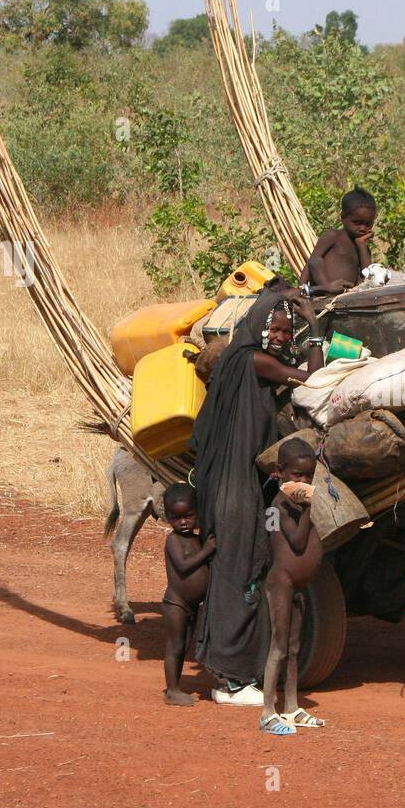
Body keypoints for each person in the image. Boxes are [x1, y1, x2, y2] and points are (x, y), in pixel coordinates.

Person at [188, 280, 325, 706]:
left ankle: (236, 672)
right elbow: (315, 381)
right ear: (260, 327)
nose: (284, 337)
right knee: (238, 571)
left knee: (246, 568)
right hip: (234, 489)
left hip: (233, 482)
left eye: (289, 332)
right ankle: (229, 681)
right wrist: (315, 326)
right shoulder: (254, 361)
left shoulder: (240, 358)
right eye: (280, 330)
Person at [258, 437, 327, 735]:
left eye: (309, 477)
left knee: (295, 647)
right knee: (279, 645)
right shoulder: (278, 505)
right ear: (280, 472)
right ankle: (267, 711)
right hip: (281, 584)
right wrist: (311, 508)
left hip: (298, 585)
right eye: (297, 476)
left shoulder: (296, 506)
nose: (303, 482)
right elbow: (298, 542)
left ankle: (292, 707)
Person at [161, 482, 216, 707]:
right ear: (167, 517)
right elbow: (183, 566)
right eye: (176, 518)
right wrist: (206, 550)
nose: (183, 523)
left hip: (192, 605)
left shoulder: (196, 538)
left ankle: (177, 685)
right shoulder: (173, 540)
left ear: (198, 513)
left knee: (184, 646)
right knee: (174, 645)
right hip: (176, 603)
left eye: (189, 516)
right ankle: (172, 690)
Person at [301, 187, 377, 296]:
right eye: (357, 222)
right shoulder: (333, 236)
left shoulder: (363, 247)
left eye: (368, 224)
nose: (363, 228)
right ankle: (327, 289)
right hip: (324, 291)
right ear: (343, 217)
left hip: (346, 296)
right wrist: (301, 288)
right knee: (316, 261)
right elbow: (311, 262)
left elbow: (367, 275)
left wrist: (361, 244)